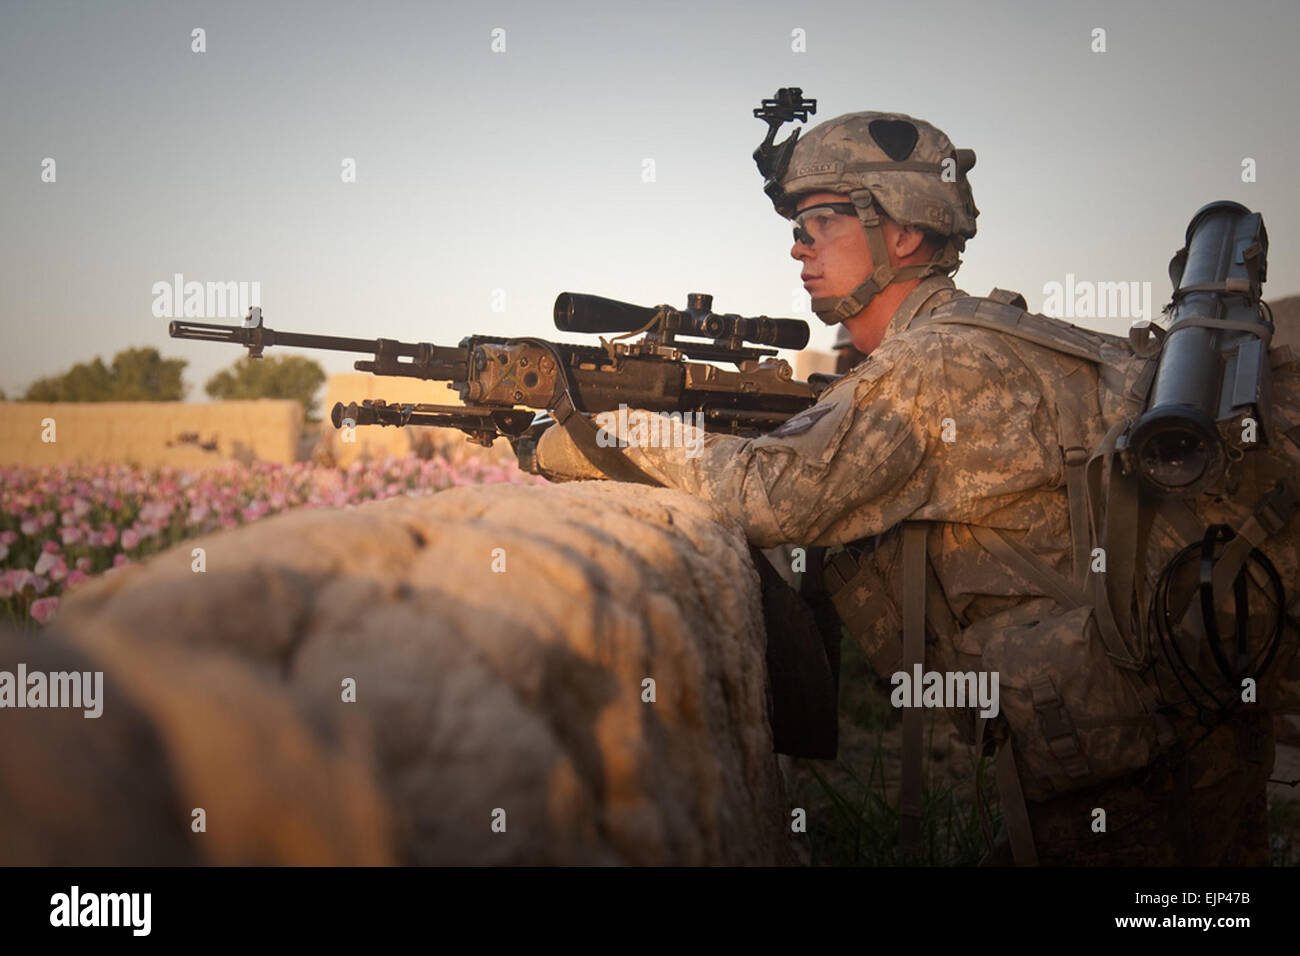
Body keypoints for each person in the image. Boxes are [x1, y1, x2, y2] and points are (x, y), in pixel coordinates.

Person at [535, 108, 1300, 865]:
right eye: (796, 229)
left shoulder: (934, 364)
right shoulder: (992, 334)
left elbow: (771, 494)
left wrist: (588, 434)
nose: (799, 249)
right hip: (1184, 714)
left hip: (1133, 757)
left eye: (821, 223)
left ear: (901, 232)